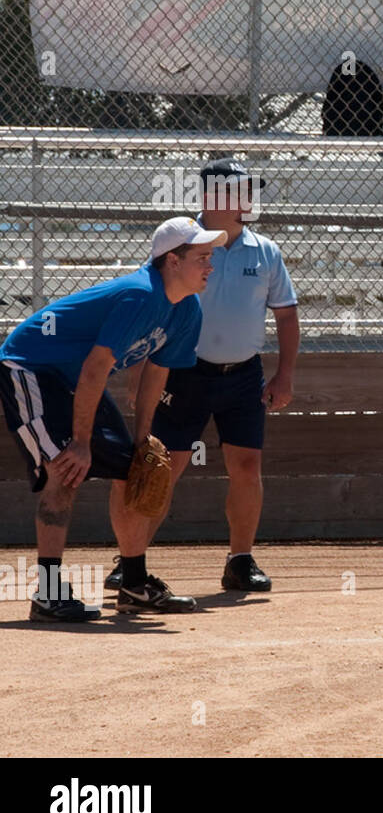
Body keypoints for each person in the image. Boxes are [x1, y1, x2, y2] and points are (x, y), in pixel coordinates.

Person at [0, 216, 225, 620]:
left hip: (79, 377)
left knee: (131, 469)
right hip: (31, 367)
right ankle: (48, 594)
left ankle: (134, 585)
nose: (210, 265)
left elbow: (157, 371)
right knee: (64, 469)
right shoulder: (140, 295)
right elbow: (95, 369)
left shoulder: (187, 308)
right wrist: (82, 443)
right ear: (173, 260)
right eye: (202, 257)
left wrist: (143, 440)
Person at [106, 159, 299, 594]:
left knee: (247, 466)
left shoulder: (266, 250)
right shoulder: (179, 243)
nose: (251, 199)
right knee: (161, 467)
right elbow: (151, 311)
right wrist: (138, 379)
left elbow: (287, 316)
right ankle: (131, 563)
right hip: (182, 373)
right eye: (242, 190)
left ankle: (241, 561)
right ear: (215, 198)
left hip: (243, 375)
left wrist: (284, 376)